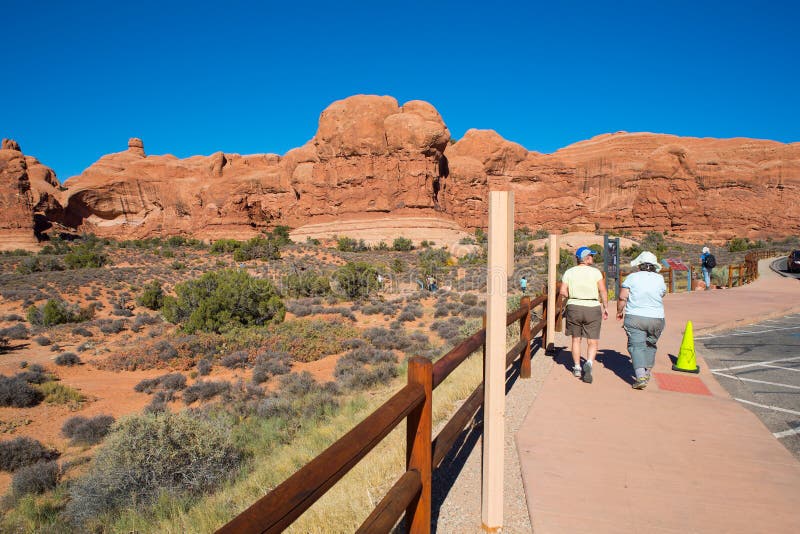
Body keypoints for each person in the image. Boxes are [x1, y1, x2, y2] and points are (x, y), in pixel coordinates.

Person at [616, 251, 667, 390]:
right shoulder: (660, 279)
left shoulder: (632, 278)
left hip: (635, 316)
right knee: (650, 345)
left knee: (636, 346)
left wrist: (619, 311)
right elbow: (662, 293)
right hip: (657, 317)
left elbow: (622, 297)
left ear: (640, 265)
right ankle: (647, 373)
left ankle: (640, 378)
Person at [559, 246, 609, 383]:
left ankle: (576, 367)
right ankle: (589, 364)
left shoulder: (569, 272)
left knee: (576, 339)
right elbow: (603, 291)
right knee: (592, 341)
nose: (592, 258)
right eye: (591, 256)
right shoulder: (596, 272)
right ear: (586, 258)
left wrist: (572, 297)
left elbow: (563, 291)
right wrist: (605, 307)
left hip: (574, 306)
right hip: (592, 307)